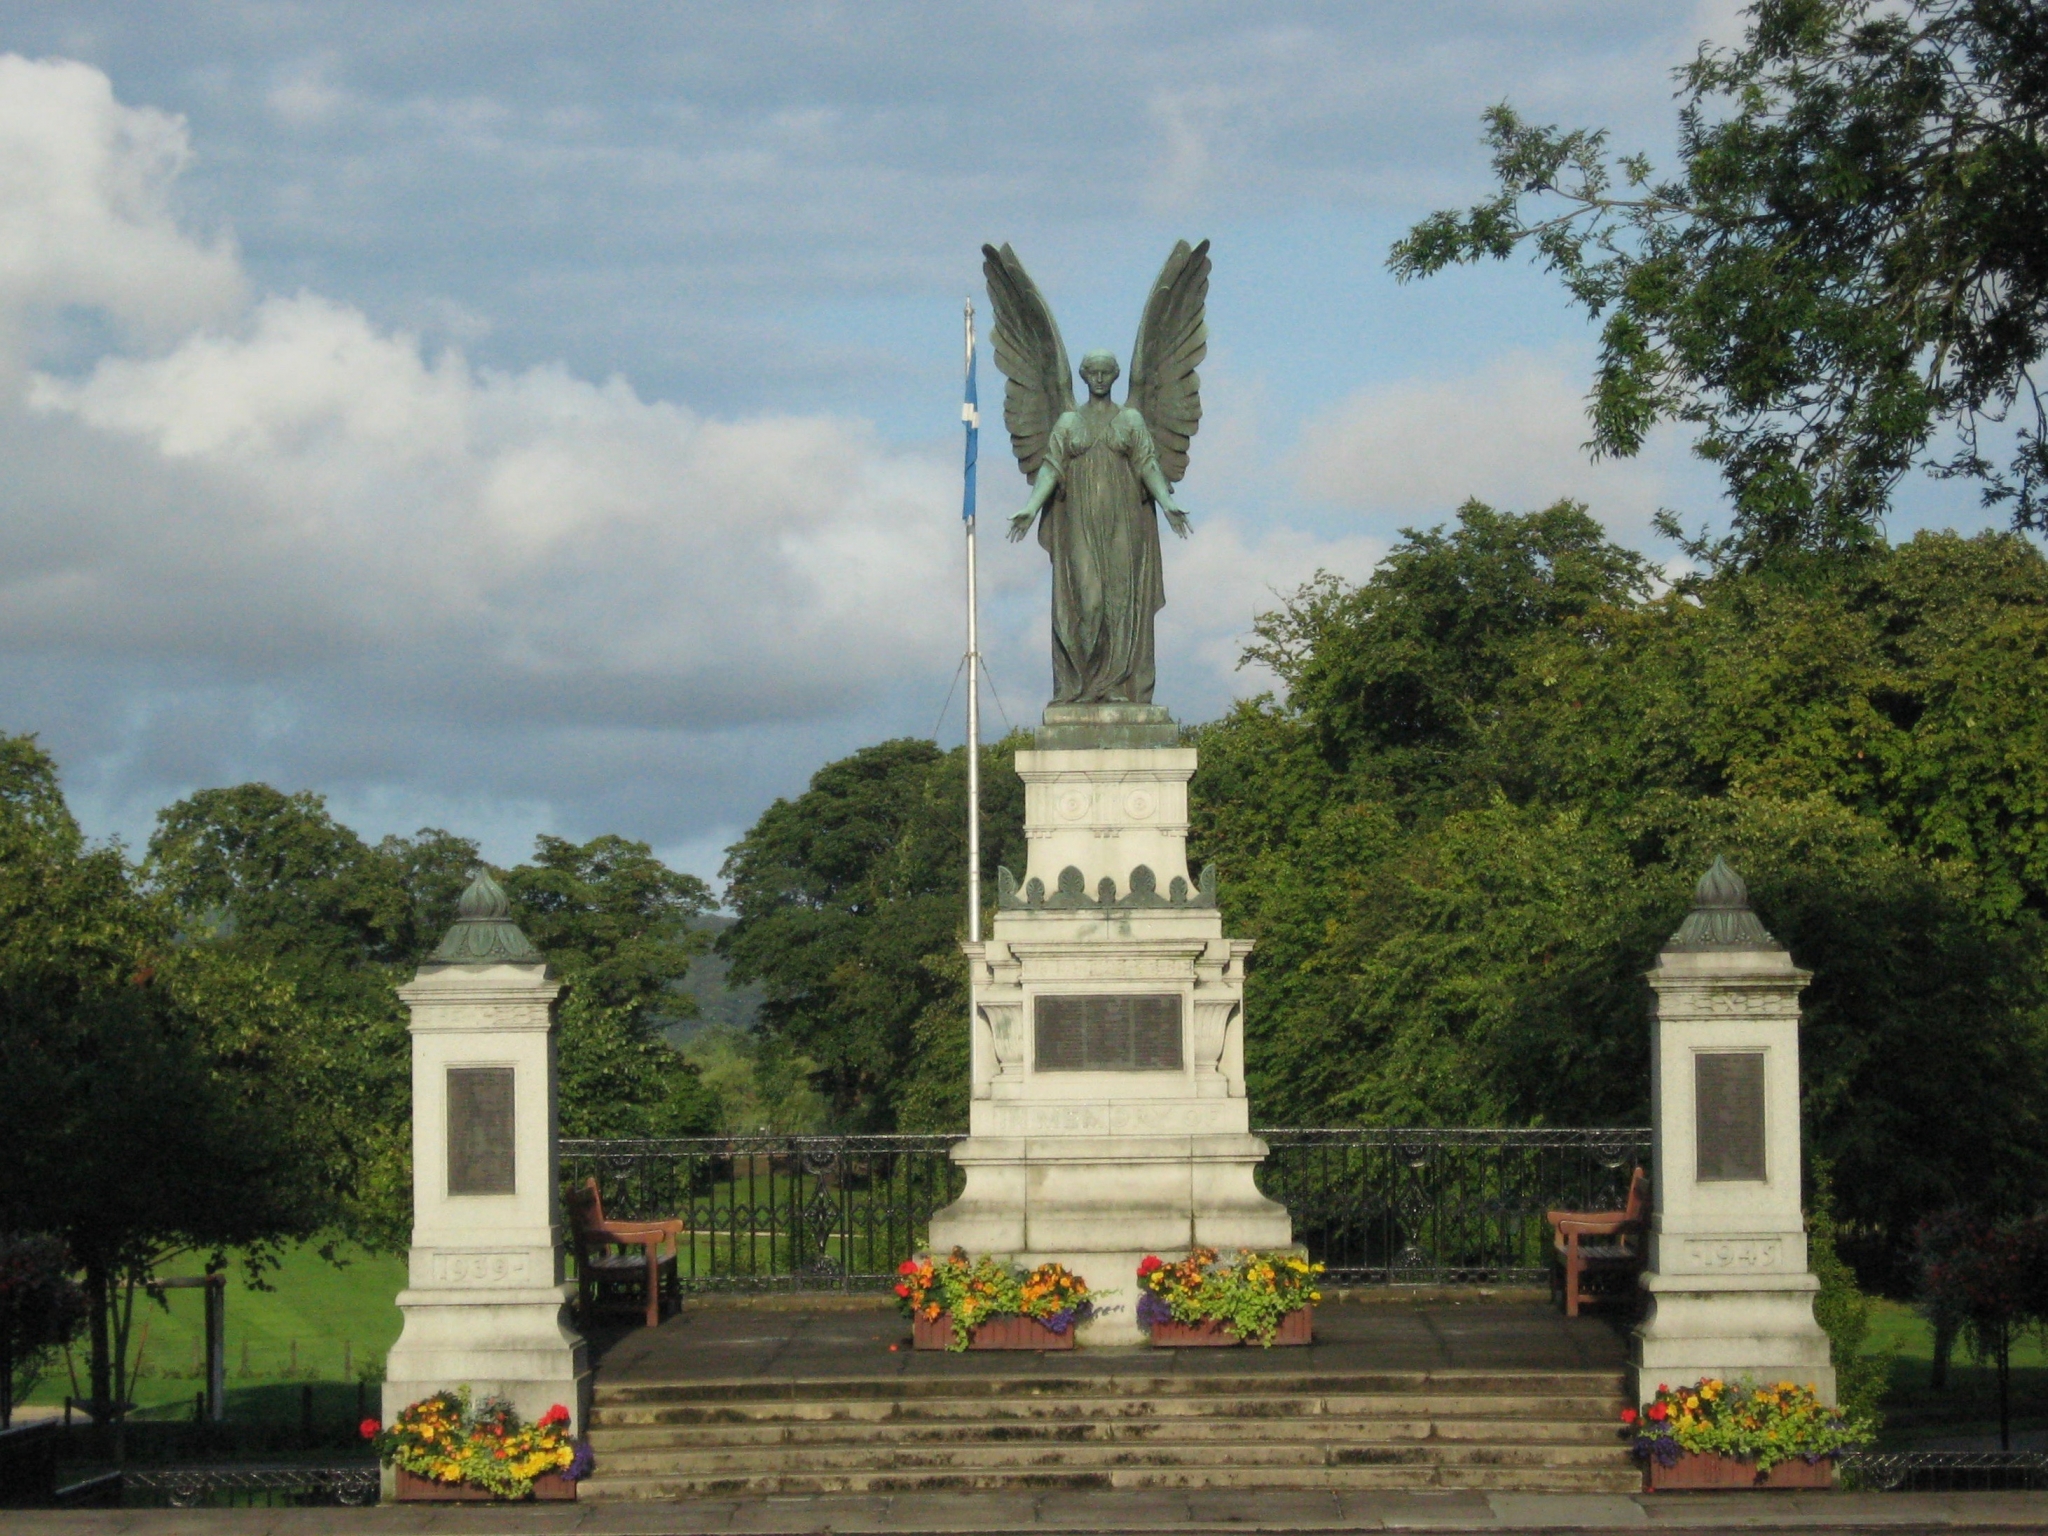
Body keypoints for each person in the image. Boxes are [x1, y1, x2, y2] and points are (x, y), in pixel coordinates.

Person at [1008, 349, 1191, 705]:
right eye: (1093, 372)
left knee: (1121, 601)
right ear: (1084, 376)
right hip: (1079, 521)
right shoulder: (1068, 423)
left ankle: (1116, 685)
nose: (1100, 378)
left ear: (1116, 375)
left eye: (1106, 372)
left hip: (1124, 521)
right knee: (1087, 602)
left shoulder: (1131, 421)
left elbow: (1147, 464)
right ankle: (1080, 686)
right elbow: (1051, 467)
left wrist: (1168, 505)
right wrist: (1030, 508)